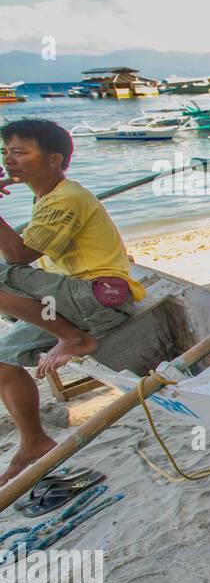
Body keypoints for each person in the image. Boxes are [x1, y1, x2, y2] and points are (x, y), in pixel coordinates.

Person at [0, 118, 144, 484]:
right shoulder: (46, 198)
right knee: (2, 364)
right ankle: (34, 442)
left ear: (53, 160)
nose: (8, 160)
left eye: (19, 152)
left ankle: (75, 338)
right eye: (6, 152)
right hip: (72, 302)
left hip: (104, 297)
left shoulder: (67, 198)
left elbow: (18, 256)